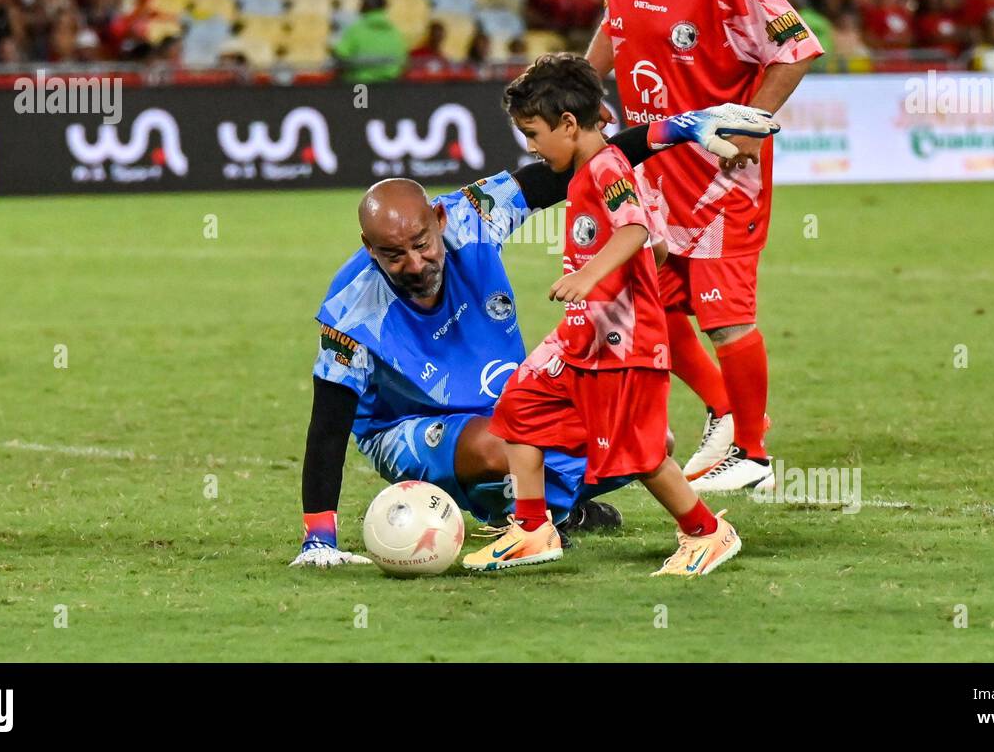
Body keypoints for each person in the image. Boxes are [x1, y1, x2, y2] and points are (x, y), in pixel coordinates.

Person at [291, 98, 766, 567]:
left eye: (422, 245)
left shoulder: (470, 216)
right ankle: (549, 516)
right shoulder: (349, 313)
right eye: (394, 256)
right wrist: (319, 540)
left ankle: (546, 518)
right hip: (405, 429)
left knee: (648, 441)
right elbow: (329, 427)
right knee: (498, 443)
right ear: (368, 249)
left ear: (439, 221)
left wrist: (678, 129)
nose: (415, 264)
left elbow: (574, 167)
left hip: (507, 406)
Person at [462, 54, 773, 576]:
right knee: (519, 408)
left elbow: (633, 232)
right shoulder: (591, 169)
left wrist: (589, 277)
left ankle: (707, 532)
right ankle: (533, 528)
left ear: (567, 124)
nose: (530, 147)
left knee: (641, 456)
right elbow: (649, 248)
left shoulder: (606, 168)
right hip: (581, 335)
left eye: (533, 133)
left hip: (624, 342)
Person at [586, 0, 822, 493]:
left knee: (725, 316)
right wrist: (585, 90)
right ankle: (725, 409)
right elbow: (614, 21)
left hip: (722, 179)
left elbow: (795, 48)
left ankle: (752, 452)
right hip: (655, 172)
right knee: (650, 301)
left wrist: (752, 123)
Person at [332, 0, 409, 82]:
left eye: (361, 2)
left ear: (365, 6)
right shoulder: (395, 32)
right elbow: (403, 61)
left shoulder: (356, 30)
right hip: (389, 88)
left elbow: (340, 54)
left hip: (358, 88)